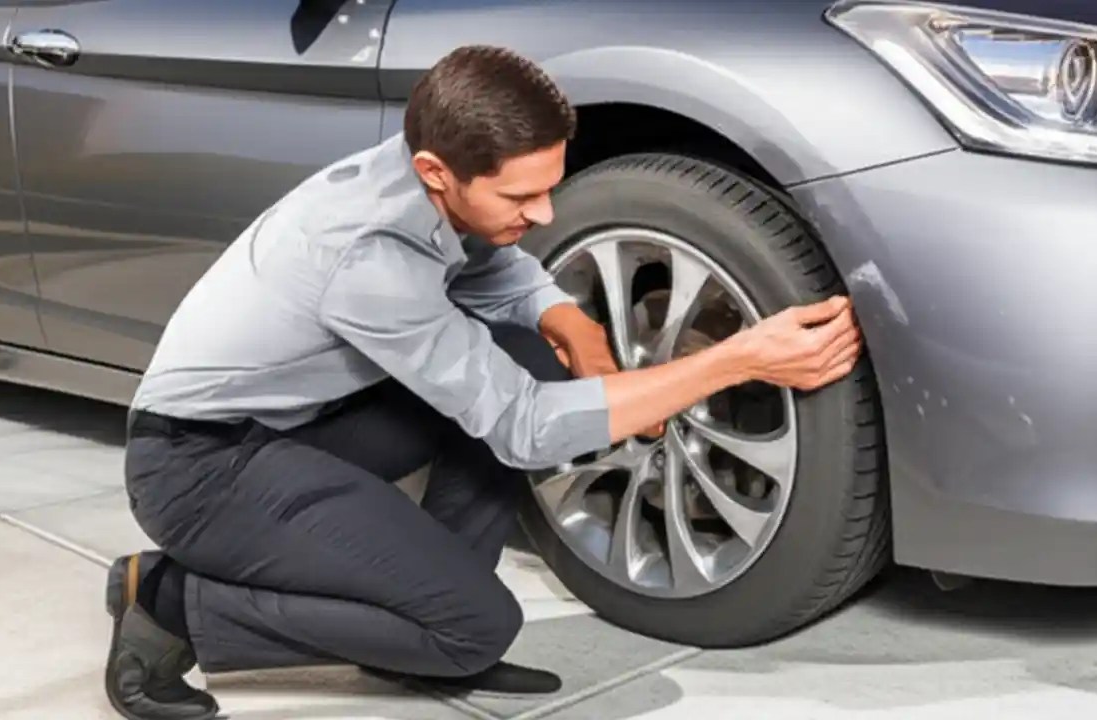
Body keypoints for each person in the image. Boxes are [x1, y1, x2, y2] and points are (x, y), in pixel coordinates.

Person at [103, 45, 863, 720]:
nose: (544, 214)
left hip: (297, 427)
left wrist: (577, 327)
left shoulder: (415, 176)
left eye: (550, 187)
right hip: (198, 468)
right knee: (476, 629)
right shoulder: (368, 259)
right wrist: (734, 361)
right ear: (439, 171)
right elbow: (524, 427)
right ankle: (169, 602)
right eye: (520, 198)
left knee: (528, 351)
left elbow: (493, 270)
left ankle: (410, 625)